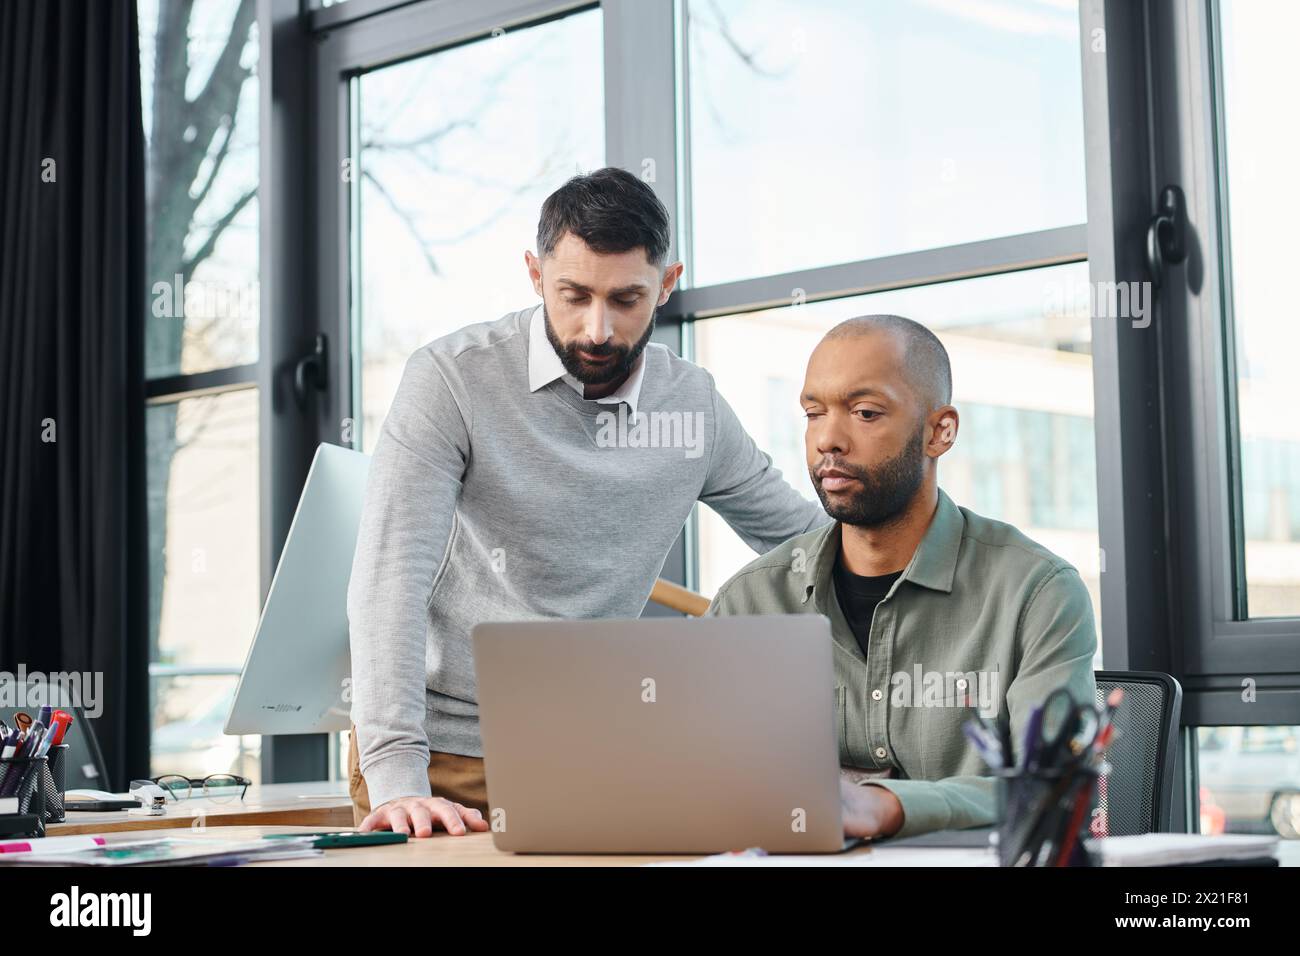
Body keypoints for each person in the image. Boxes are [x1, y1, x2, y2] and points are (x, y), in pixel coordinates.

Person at [347, 167, 829, 837]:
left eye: (627, 299)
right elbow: (389, 581)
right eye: (573, 295)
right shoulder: (452, 378)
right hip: (442, 753)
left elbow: (810, 547)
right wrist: (398, 776)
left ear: (666, 283)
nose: (597, 329)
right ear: (535, 275)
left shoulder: (692, 407)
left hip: (594, 752)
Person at [707, 314, 1097, 839]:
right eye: (813, 413)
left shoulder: (1037, 593)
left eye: (865, 413)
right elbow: (701, 783)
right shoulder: (748, 602)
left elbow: (1052, 785)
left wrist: (886, 806)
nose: (828, 440)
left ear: (941, 432)